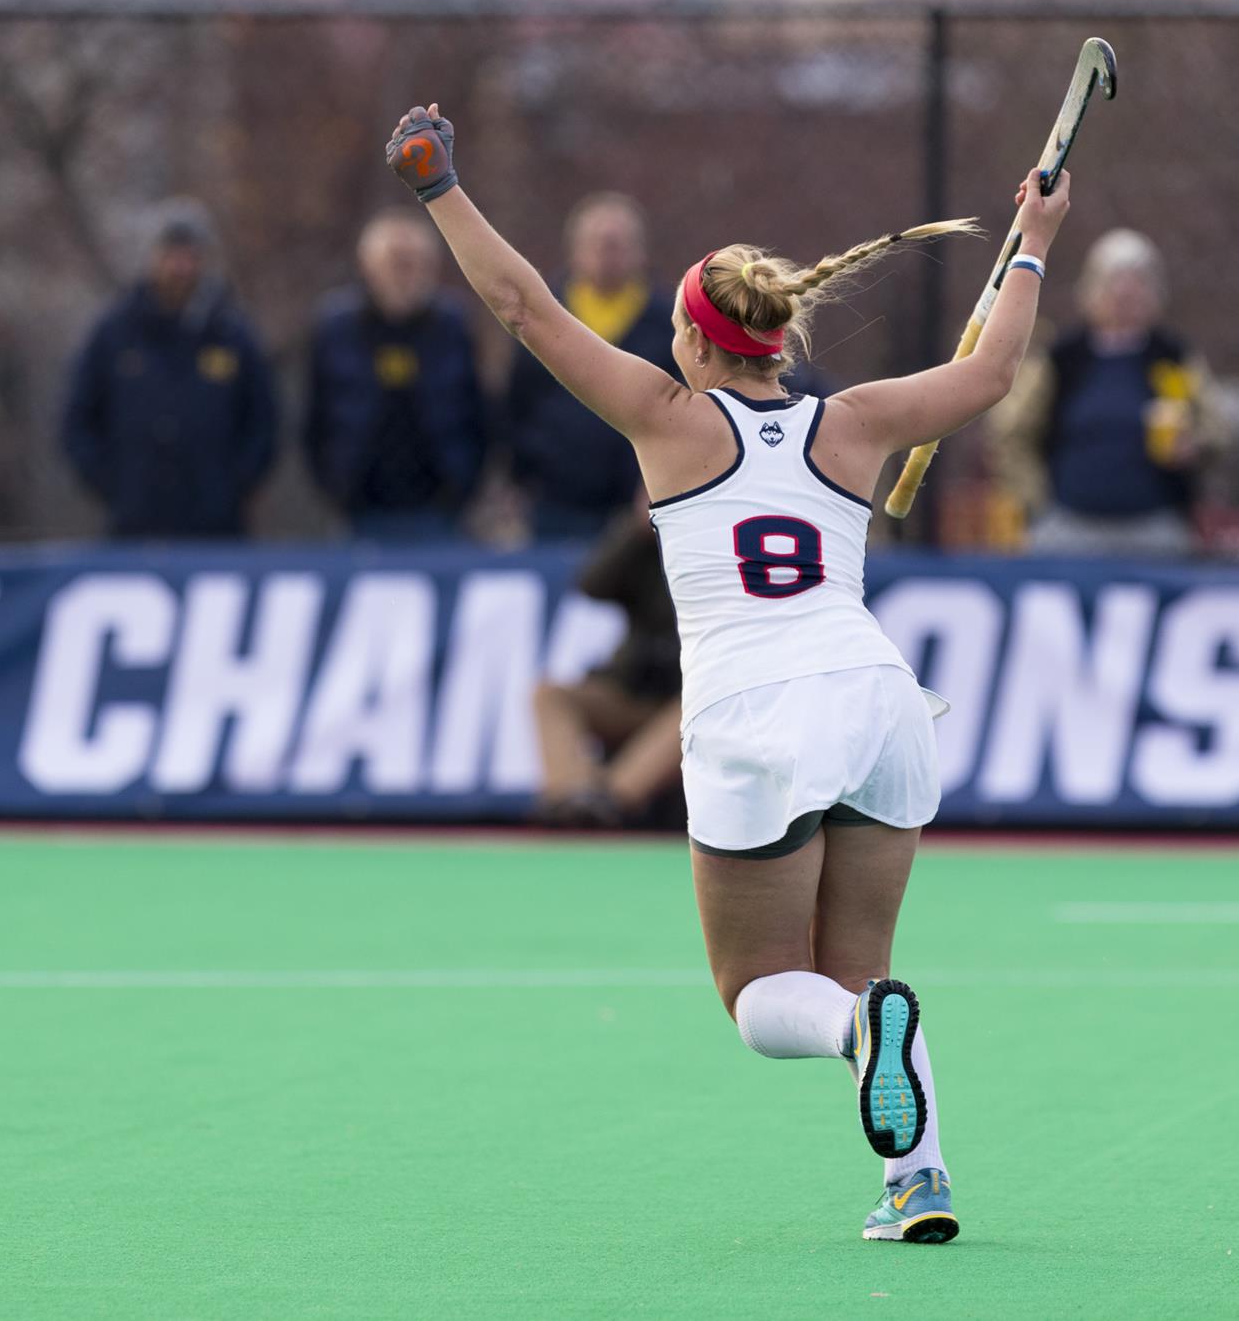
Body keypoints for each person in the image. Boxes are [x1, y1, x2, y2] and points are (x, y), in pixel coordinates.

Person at [388, 102, 1072, 1244]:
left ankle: (867, 1049)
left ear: (697, 344)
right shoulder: (851, 422)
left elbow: (521, 305)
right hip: (878, 698)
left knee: (762, 1003)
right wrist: (1036, 240)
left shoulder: (666, 420)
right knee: (864, 975)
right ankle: (919, 1182)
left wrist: (435, 188)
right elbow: (996, 374)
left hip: (753, 713)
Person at [986, 229, 1232, 557]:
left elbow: (1217, 429)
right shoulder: (1063, 358)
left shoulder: (1172, 356)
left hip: (1155, 528)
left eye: (1138, 283)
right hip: (1068, 528)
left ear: (1156, 293)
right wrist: (1036, 502)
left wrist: (1195, 446)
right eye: (1115, 282)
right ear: (1092, 290)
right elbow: (1012, 432)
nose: (1125, 293)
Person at [61, 199, 277, 539]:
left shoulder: (231, 334)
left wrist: (232, 485)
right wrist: (114, 485)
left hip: (216, 525)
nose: (180, 266)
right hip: (135, 522)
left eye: (190, 255)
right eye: (170, 254)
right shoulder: (115, 333)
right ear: (151, 257)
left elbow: (263, 420)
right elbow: (78, 420)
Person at [504, 192, 681, 540]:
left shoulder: (669, 321)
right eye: (598, 244)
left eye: (617, 245)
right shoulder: (544, 316)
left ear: (640, 251)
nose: (607, 255)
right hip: (555, 501)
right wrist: (522, 477)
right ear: (575, 250)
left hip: (638, 506)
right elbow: (517, 401)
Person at [304, 209, 486, 541]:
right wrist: (336, 484)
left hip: (438, 507)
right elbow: (315, 418)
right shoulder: (337, 329)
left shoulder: (452, 327)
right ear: (368, 267)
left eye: (415, 262)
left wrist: (463, 482)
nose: (406, 274)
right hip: (360, 508)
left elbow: (479, 411)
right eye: (395, 262)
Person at [532, 493, 681, 826]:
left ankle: (612, 801)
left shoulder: (714, 539)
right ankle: (571, 797)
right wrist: (635, 528)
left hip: (687, 698)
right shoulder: (644, 546)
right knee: (550, 694)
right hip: (633, 689)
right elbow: (591, 585)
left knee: (695, 706)